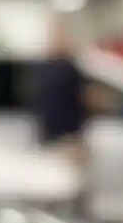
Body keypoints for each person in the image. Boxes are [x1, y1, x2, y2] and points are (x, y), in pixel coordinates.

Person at [32, 18, 89, 211]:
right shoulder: (65, 68)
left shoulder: (48, 69)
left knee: (59, 192)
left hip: (56, 139)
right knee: (64, 193)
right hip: (64, 140)